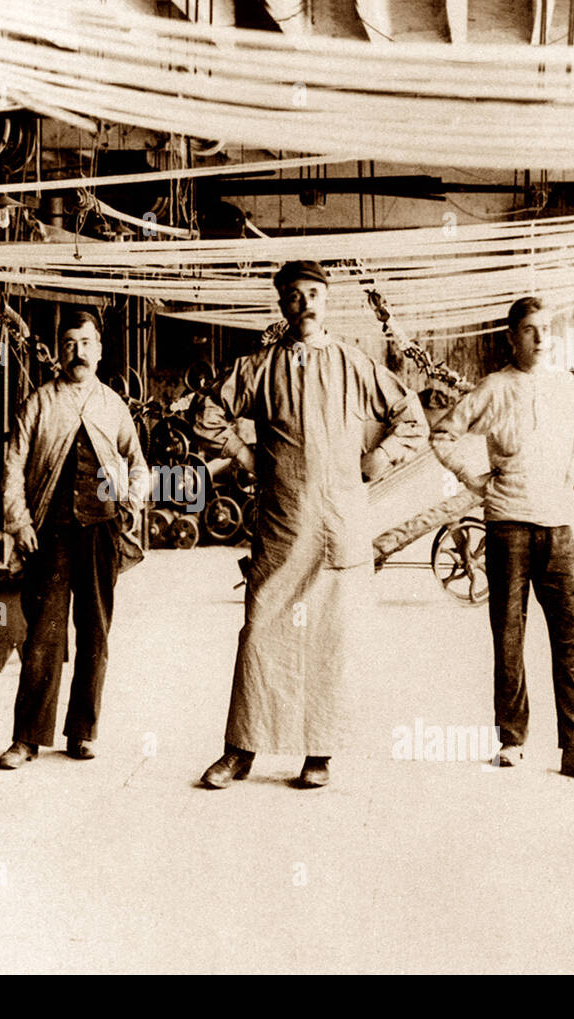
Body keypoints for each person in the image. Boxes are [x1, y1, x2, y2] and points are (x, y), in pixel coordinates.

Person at [195, 260, 428, 789]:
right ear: (281, 305)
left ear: (328, 301)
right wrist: (241, 452)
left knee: (329, 638)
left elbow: (411, 418)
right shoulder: (259, 367)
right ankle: (241, 749)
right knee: (259, 633)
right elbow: (206, 412)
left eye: (314, 294)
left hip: (339, 526)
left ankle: (318, 753)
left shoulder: (354, 361)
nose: (305, 304)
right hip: (281, 526)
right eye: (294, 296)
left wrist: (383, 456)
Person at [430, 297, 574, 783]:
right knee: (509, 636)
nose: (540, 337)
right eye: (529, 330)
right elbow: (443, 434)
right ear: (512, 337)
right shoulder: (494, 388)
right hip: (508, 524)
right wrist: (476, 478)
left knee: (570, 639)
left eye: (546, 329)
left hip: (559, 527)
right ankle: (511, 739)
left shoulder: (571, 388)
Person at [0, 310, 149, 769]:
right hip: (50, 535)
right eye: (69, 343)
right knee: (43, 636)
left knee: (96, 632)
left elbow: (137, 462)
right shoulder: (38, 403)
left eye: (86, 343)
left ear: (99, 351)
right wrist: (20, 522)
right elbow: (13, 469)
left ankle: (82, 731)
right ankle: (26, 739)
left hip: (101, 531)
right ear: (59, 350)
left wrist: (133, 500)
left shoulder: (113, 405)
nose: (78, 352)